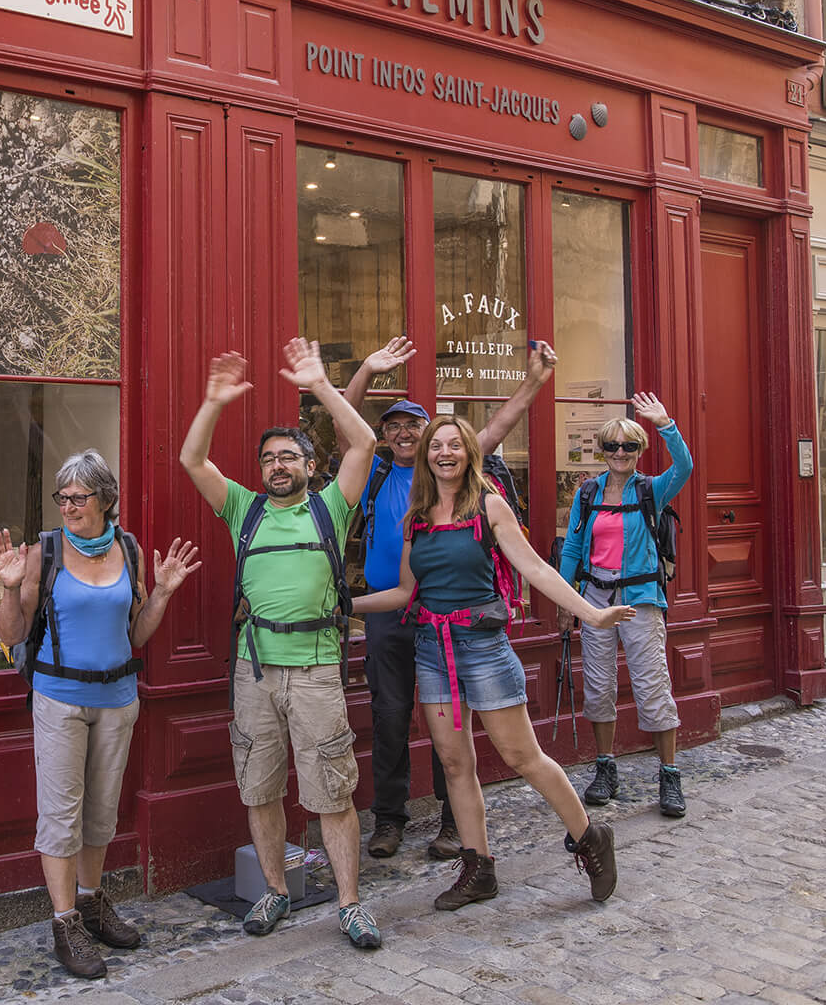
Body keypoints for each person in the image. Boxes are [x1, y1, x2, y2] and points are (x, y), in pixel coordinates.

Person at [351, 415, 635, 910]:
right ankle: (478, 867)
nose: (444, 453)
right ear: (426, 456)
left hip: (482, 648)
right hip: (432, 651)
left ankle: (591, 838)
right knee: (456, 764)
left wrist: (591, 613)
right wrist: (342, 607)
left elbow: (534, 568)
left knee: (522, 757)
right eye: (436, 446)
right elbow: (402, 592)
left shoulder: (489, 506)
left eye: (454, 445)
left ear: (468, 454)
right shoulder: (414, 518)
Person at [179, 339, 384, 951]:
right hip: (255, 670)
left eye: (288, 456)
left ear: (310, 467)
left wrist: (320, 385)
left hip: (317, 670)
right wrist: (214, 402)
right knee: (259, 786)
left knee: (332, 791)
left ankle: (348, 903)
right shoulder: (242, 509)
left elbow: (365, 444)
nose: (276, 466)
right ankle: (274, 889)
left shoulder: (330, 508)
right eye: (268, 458)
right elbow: (193, 460)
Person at [334, 336, 558, 861]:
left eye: (416, 425)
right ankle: (389, 820)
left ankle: (454, 823)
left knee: (450, 720)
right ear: (383, 436)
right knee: (390, 716)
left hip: (444, 615)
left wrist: (532, 384)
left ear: (433, 436)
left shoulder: (447, 471)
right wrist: (367, 368)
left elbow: (497, 428)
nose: (406, 433)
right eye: (394, 426)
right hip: (390, 610)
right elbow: (345, 421)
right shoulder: (375, 472)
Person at [0, 450, 200, 980]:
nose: (69, 506)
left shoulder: (128, 550)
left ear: (107, 499)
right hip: (59, 698)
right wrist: (9, 588)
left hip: (118, 699)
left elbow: (135, 634)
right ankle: (65, 921)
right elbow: (11, 635)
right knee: (61, 815)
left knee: (101, 814)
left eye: (79, 496)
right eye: (63, 496)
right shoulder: (44, 553)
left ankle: (93, 901)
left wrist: (165, 595)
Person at [557, 392, 695, 818]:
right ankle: (605, 768)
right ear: (602, 450)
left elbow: (686, 466)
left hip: (640, 600)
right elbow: (574, 547)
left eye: (629, 446)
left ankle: (669, 776)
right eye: (613, 446)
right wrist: (567, 598)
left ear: (639, 451)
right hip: (595, 599)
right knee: (598, 687)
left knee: (652, 688)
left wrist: (665, 423)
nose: (620, 453)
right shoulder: (588, 492)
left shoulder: (653, 489)